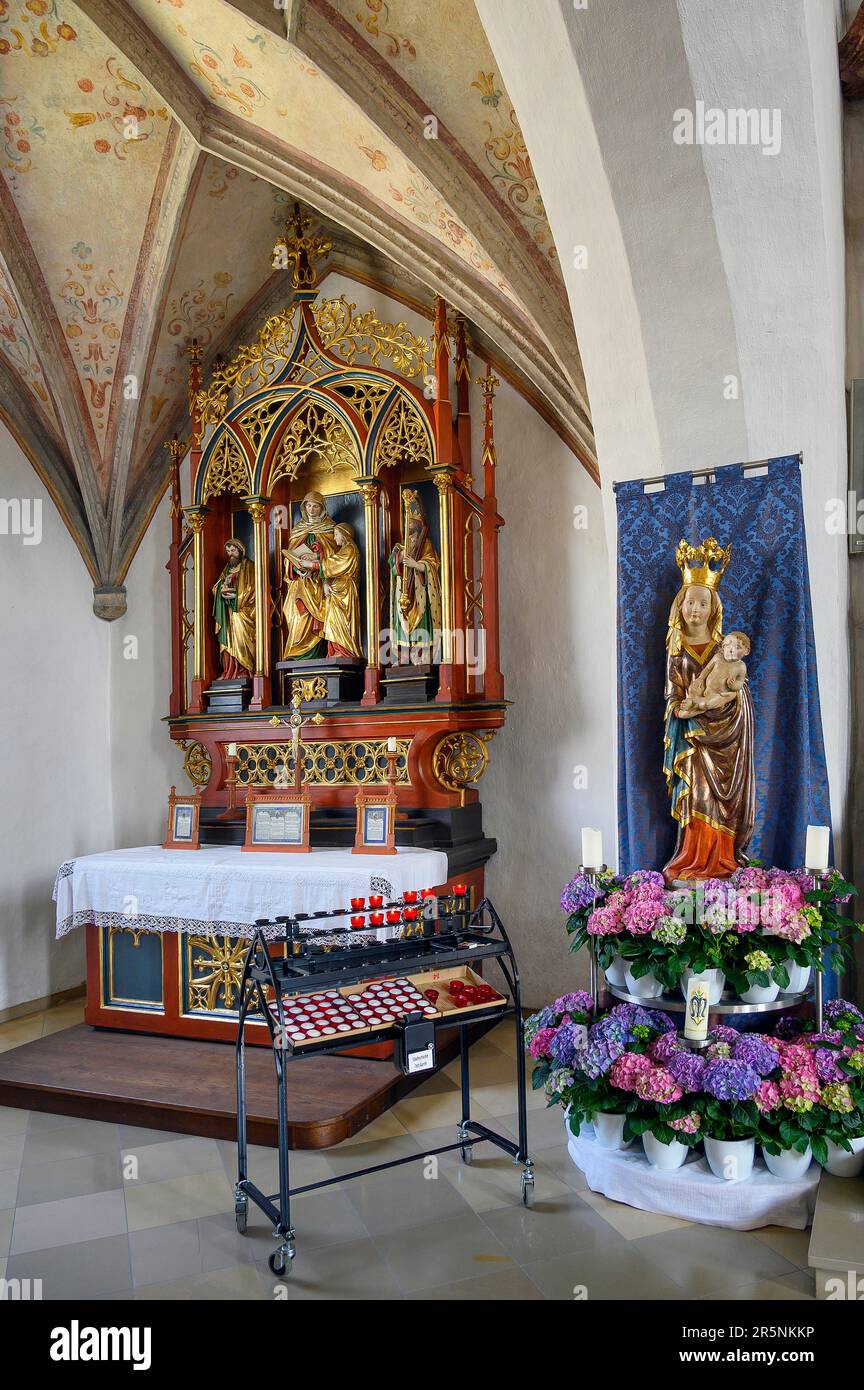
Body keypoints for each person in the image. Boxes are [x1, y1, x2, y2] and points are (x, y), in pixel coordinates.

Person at [662, 539, 755, 882]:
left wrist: (723, 703)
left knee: (721, 801)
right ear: (680, 605)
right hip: (691, 739)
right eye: (690, 602)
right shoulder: (676, 649)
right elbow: (672, 693)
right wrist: (681, 710)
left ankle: (722, 861)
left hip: (726, 737)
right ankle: (694, 858)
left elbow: (738, 690)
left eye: (703, 603)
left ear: (713, 607)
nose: (696, 610)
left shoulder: (726, 648)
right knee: (697, 795)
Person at [281, 490, 337, 659]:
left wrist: (317, 556)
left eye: (315, 506)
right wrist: (295, 567)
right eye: (309, 506)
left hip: (320, 582)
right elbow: (289, 558)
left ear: (322, 508)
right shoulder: (298, 530)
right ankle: (299, 654)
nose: (312, 509)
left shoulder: (331, 529)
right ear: (304, 507)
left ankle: (316, 654)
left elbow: (336, 557)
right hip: (300, 582)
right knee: (296, 614)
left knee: (317, 617)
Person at [388, 488, 442, 662]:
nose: (410, 530)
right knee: (402, 622)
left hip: (419, 592)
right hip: (403, 592)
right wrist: (398, 559)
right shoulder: (402, 546)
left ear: (419, 527)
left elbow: (433, 564)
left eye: (413, 527)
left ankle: (423, 657)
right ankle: (404, 657)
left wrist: (416, 565)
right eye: (408, 527)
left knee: (421, 621)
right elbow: (393, 567)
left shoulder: (425, 544)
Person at [678, 630, 750, 715]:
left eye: (737, 647)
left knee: (707, 704)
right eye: (727, 645)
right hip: (706, 687)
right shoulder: (718, 657)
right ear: (723, 647)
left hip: (720, 694)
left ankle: (694, 704)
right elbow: (708, 669)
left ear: (746, 651)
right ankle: (693, 702)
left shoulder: (740, 666)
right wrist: (700, 679)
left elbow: (740, 683)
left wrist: (732, 685)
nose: (731, 650)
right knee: (693, 688)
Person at [212, 539, 256, 678]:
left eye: (233, 551)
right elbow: (215, 588)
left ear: (241, 550)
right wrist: (222, 587)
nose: (231, 554)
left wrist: (237, 597)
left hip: (243, 610)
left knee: (242, 637)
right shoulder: (226, 569)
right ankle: (229, 671)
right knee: (228, 640)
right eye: (228, 551)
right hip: (228, 613)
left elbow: (253, 588)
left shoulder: (249, 566)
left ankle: (244, 669)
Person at [322, 522, 363, 658]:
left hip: (345, 592)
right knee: (333, 621)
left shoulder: (350, 549)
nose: (334, 538)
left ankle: (344, 651)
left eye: (336, 535)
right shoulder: (343, 550)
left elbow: (333, 565)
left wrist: (313, 563)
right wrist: (327, 582)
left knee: (341, 621)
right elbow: (332, 571)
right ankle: (335, 650)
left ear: (345, 535)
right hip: (337, 591)